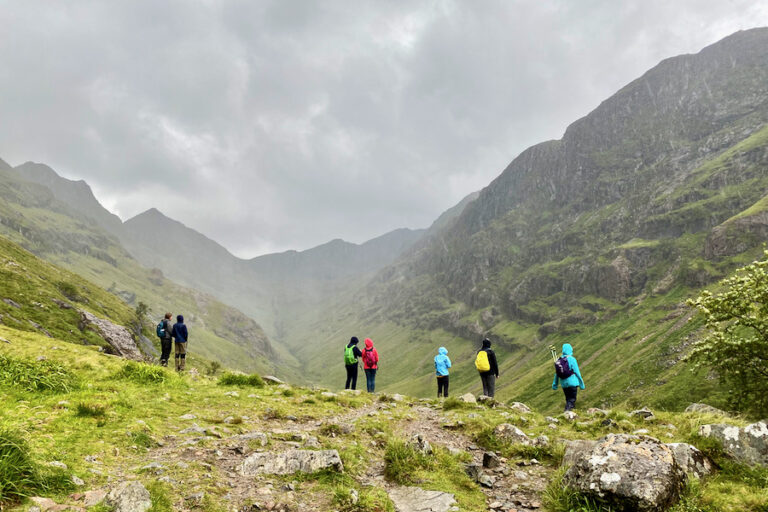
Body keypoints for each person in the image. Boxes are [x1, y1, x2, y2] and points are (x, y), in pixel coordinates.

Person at [552, 343, 585, 411]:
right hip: (572, 383)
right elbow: (577, 372)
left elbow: (557, 373)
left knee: (568, 400)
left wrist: (555, 384)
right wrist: (581, 384)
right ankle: (567, 413)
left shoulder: (559, 360)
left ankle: (570, 414)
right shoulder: (572, 359)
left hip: (564, 385)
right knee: (572, 400)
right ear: (570, 350)